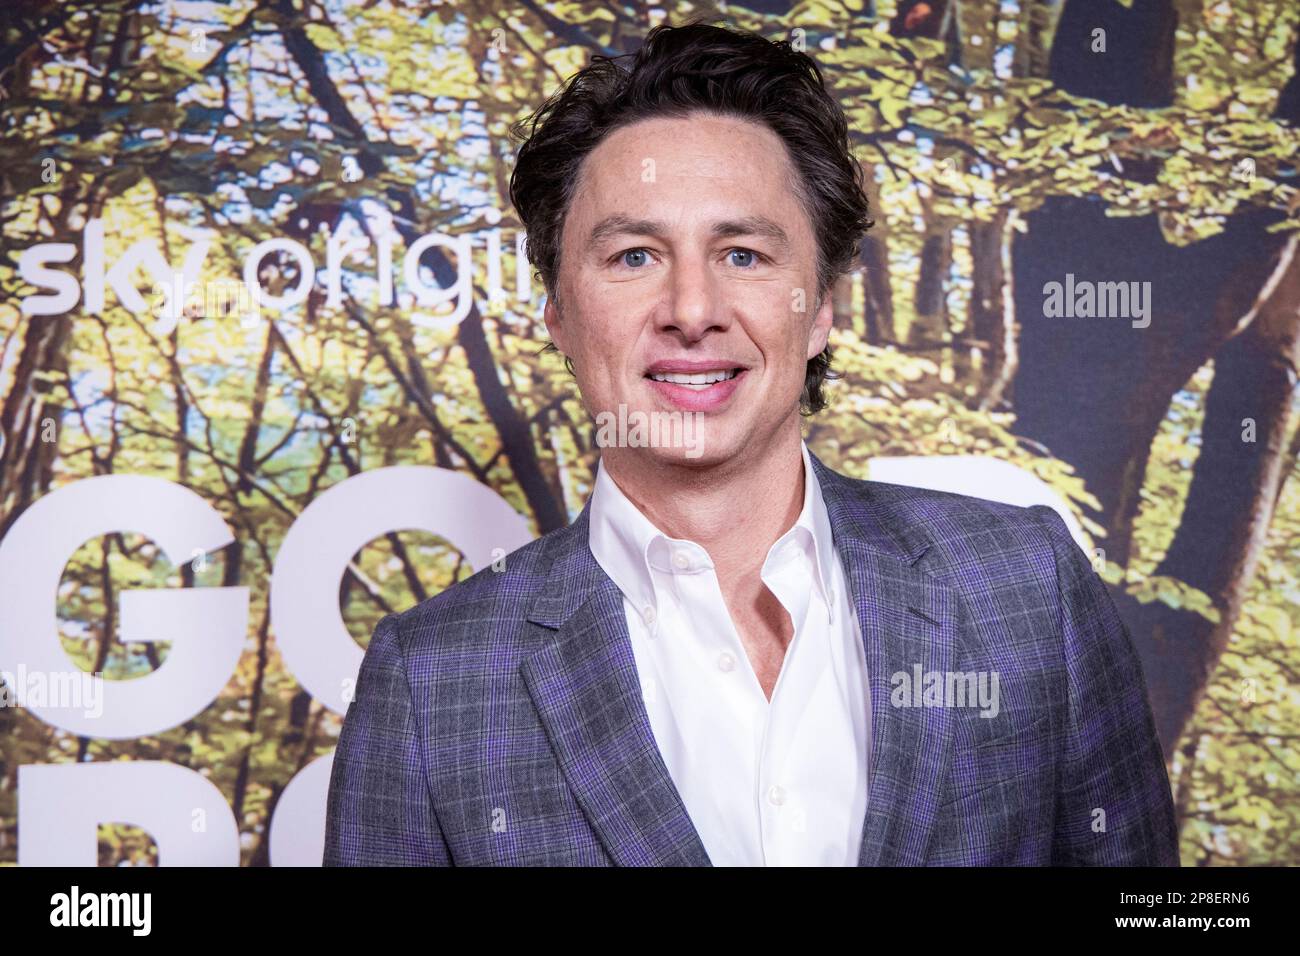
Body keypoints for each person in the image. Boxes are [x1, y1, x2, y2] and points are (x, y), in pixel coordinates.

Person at [324, 19, 1180, 866]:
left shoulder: (1026, 587)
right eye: (631, 257)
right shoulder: (432, 683)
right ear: (559, 315)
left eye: (742, 254)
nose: (692, 310)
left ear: (822, 310)